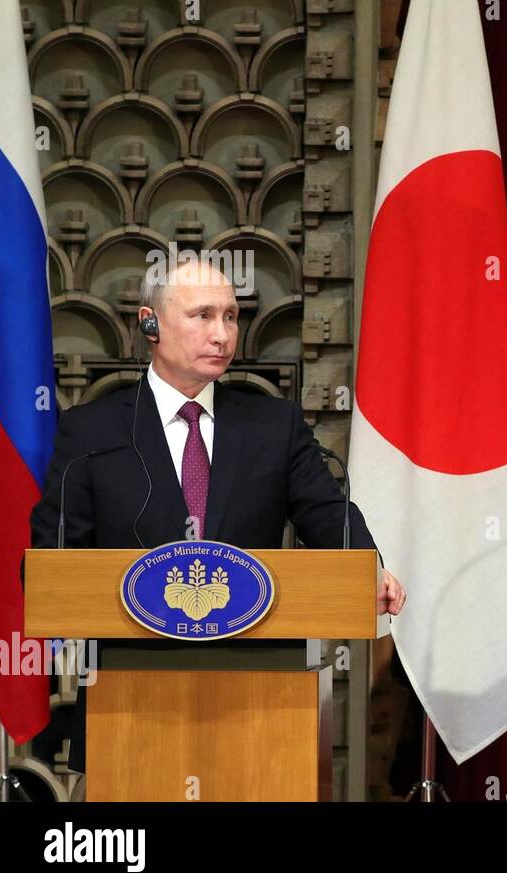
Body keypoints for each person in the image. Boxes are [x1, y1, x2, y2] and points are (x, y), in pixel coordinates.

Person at [28, 257, 407, 774]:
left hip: (260, 703)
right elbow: (51, 563)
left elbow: (327, 512)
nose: (223, 334)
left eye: (231, 316)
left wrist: (368, 566)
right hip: (131, 705)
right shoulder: (91, 433)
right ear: (150, 324)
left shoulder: (274, 425)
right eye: (203, 315)